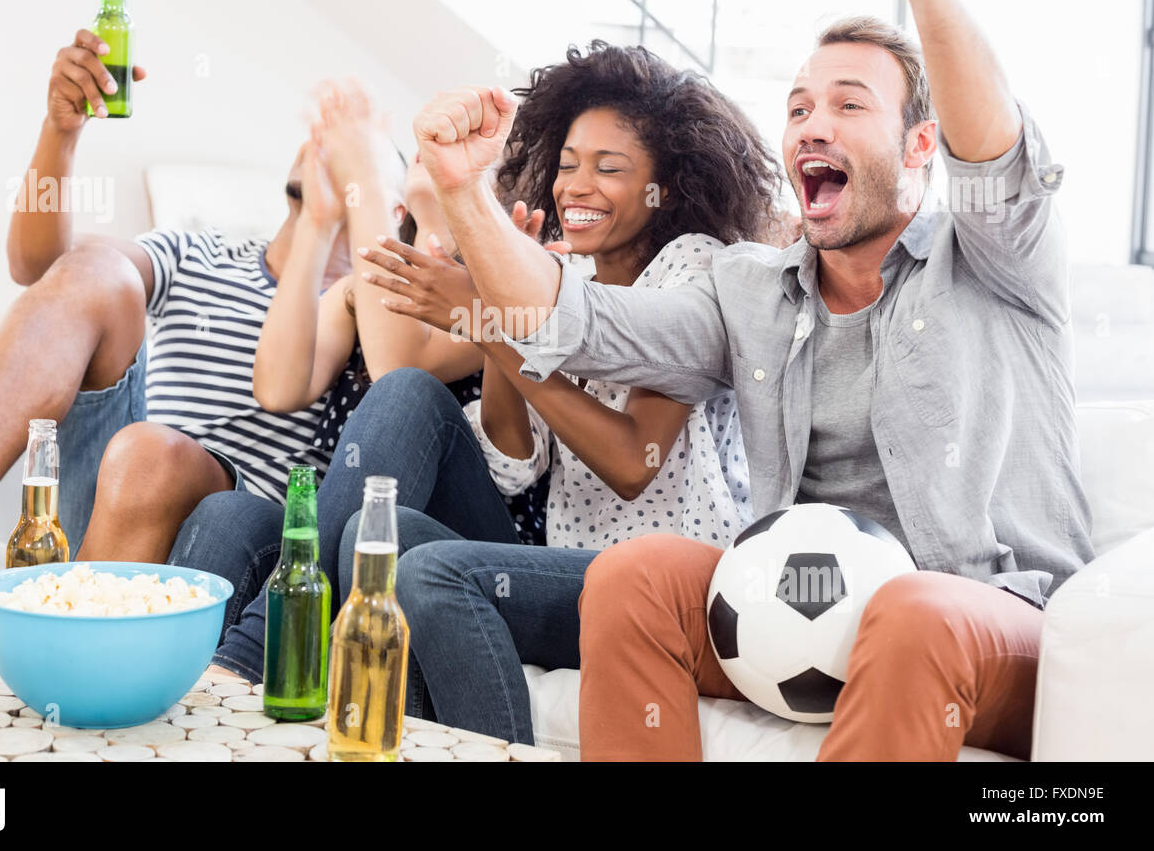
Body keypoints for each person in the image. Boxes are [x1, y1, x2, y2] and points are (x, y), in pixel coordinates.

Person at [397, 0, 1094, 761]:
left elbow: (992, 157)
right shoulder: (750, 291)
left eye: (849, 105)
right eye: (800, 108)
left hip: (987, 622)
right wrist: (465, 194)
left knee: (912, 610)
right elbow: (569, 322)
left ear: (921, 146)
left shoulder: (996, 258)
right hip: (794, 610)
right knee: (635, 576)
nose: (814, 125)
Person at [188, 45, 786, 748]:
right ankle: (249, 695)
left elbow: (631, 464)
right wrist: (506, 310)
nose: (577, 186)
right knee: (373, 517)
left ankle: (251, 662)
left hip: (657, 579)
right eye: (567, 164)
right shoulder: (559, 278)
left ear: (670, 184)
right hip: (556, 562)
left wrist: (498, 324)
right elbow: (512, 459)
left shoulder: (692, 269)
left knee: (429, 564)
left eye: (609, 168)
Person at [0, 29, 375, 612]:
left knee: (154, 456)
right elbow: (42, 271)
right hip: (113, 497)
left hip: (230, 541)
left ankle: (66, 639)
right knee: (101, 271)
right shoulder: (198, 253)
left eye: (362, 145)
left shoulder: (364, 310)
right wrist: (61, 134)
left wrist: (335, 229)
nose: (335, 144)